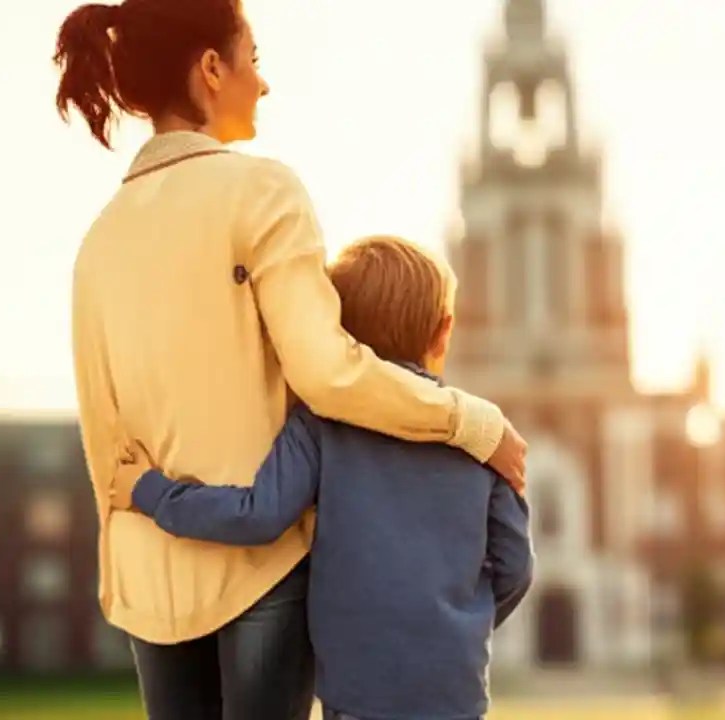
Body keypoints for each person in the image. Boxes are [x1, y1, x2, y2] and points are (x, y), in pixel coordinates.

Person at [54, 1, 527, 717]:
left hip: (150, 577)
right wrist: (470, 421)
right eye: (255, 59)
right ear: (212, 69)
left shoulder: (98, 241)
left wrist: (136, 523)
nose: (264, 83)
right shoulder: (261, 189)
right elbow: (330, 374)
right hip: (260, 571)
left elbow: (103, 433)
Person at [115, 236, 535, 720]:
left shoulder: (320, 425)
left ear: (335, 334)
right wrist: (459, 625)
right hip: (456, 698)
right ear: (444, 331)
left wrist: (149, 490)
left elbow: (257, 515)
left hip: (357, 701)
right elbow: (516, 566)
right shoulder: (480, 437)